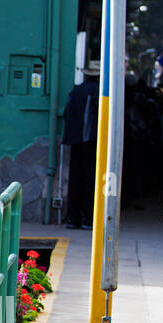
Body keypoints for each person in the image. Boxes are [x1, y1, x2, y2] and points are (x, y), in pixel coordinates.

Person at [62, 60, 100, 229]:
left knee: (75, 179)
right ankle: (88, 218)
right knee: (90, 180)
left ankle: (72, 218)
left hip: (75, 140)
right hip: (91, 141)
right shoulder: (100, 91)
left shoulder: (75, 91)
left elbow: (66, 114)